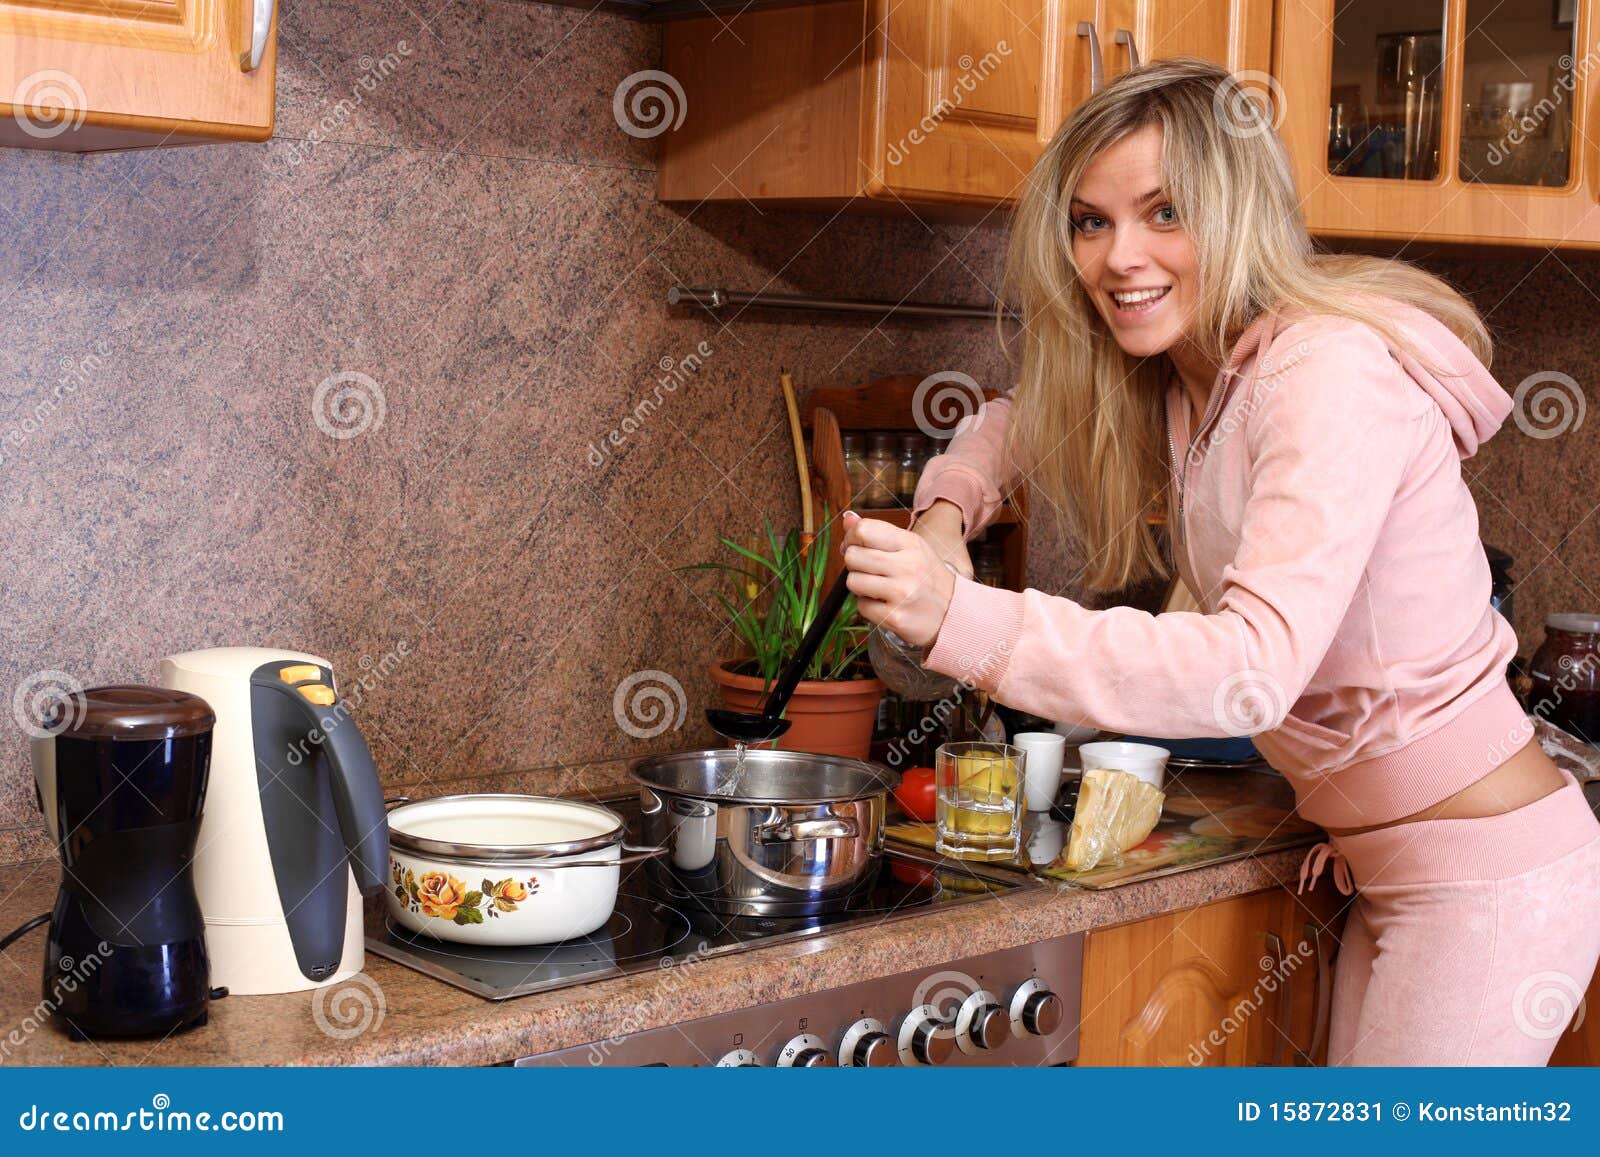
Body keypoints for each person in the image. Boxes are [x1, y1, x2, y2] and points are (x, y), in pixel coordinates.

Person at [837, 58, 1600, 1066]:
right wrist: (945, 514)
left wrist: (961, 619)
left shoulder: (1320, 373)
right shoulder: (1186, 373)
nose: (1119, 256)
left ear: (1236, 212)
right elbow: (1014, 422)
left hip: (1487, 884)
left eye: (1164, 212)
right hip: (1392, 866)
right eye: (1089, 220)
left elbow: (1250, 667)